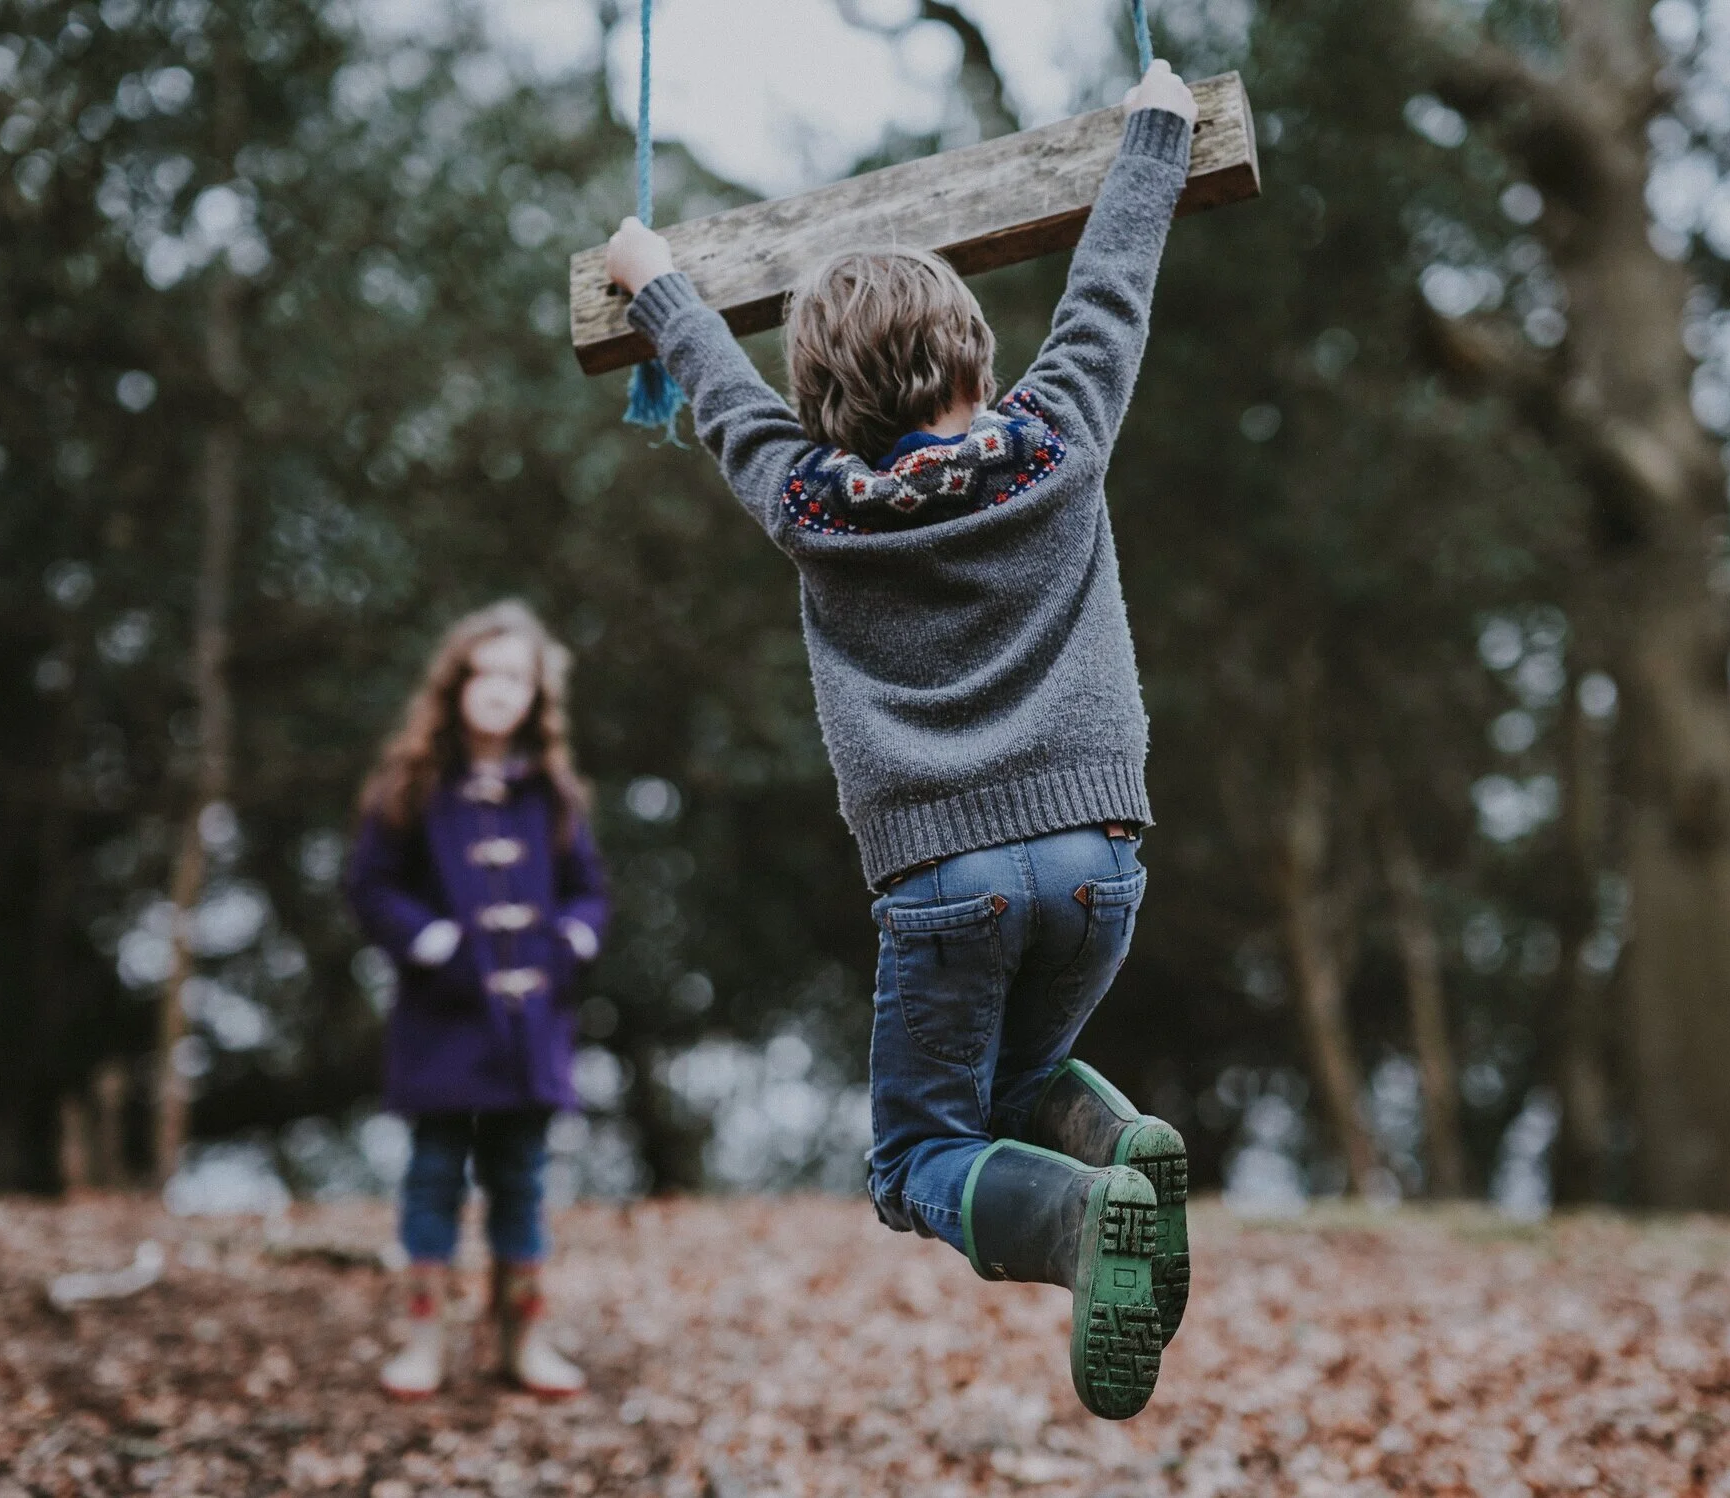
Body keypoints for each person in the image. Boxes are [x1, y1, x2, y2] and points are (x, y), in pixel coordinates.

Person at [602, 61, 1202, 1419]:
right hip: (1100, 861)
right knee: (1020, 1080)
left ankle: (1083, 1218)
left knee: (916, 1157)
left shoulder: (812, 502)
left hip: (945, 880)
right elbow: (1112, 283)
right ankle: (1123, 1147)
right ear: (978, 352)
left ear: (826, 398)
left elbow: (721, 393)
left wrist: (657, 283)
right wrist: (1156, 128)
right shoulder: (1061, 438)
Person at [344, 601, 608, 1399]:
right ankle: (423, 1341)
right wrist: (432, 942)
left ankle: (521, 1341)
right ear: (454, 685)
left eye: (515, 678)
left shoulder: (553, 793)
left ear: (537, 695)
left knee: (521, 1178)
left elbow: (589, 891)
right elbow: (369, 885)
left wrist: (570, 941)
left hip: (531, 1030)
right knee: (433, 1175)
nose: (498, 691)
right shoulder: (411, 785)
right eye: (483, 674)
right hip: (442, 1025)